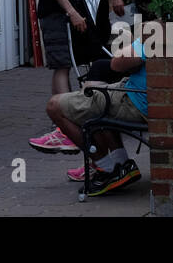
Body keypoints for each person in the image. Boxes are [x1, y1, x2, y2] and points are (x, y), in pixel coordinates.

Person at [29, 0, 106, 163]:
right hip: (56, 14)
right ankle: (62, 120)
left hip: (71, 11)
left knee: (74, 60)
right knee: (62, 64)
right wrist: (71, 12)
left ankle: (69, 114)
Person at [45, 33, 147, 197]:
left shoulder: (161, 34)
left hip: (135, 102)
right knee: (97, 90)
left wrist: (140, 39)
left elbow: (117, 63)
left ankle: (106, 169)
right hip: (143, 98)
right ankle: (121, 164)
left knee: (54, 106)